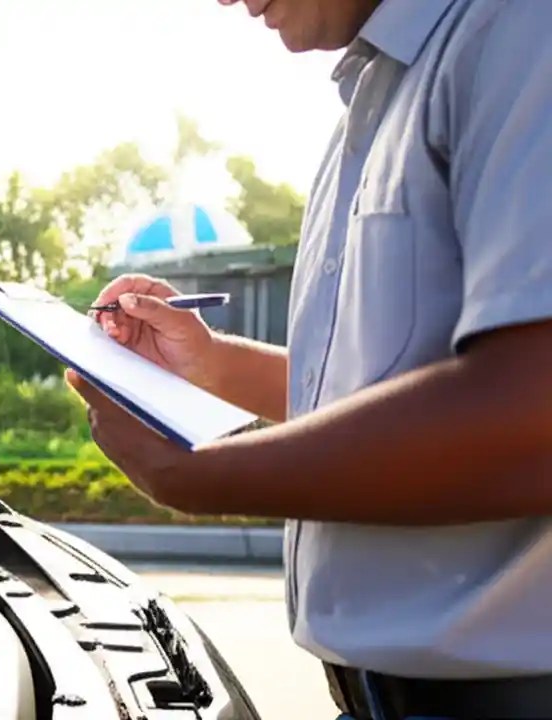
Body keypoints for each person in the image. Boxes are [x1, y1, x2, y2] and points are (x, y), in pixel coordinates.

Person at [67, 1, 552, 719]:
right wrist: (211, 363)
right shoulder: (377, 87)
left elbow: (531, 414)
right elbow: (380, 387)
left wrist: (196, 476)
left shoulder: (521, 30)